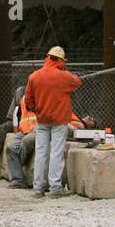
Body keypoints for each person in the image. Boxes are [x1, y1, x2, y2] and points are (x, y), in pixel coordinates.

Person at [23, 44, 83, 197]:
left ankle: (38, 188)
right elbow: (77, 82)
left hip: (42, 120)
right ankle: (55, 188)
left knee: (41, 152)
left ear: (48, 58)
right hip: (59, 120)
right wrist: (64, 71)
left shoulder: (34, 76)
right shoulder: (63, 76)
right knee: (56, 153)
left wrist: (37, 110)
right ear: (61, 60)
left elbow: (28, 100)